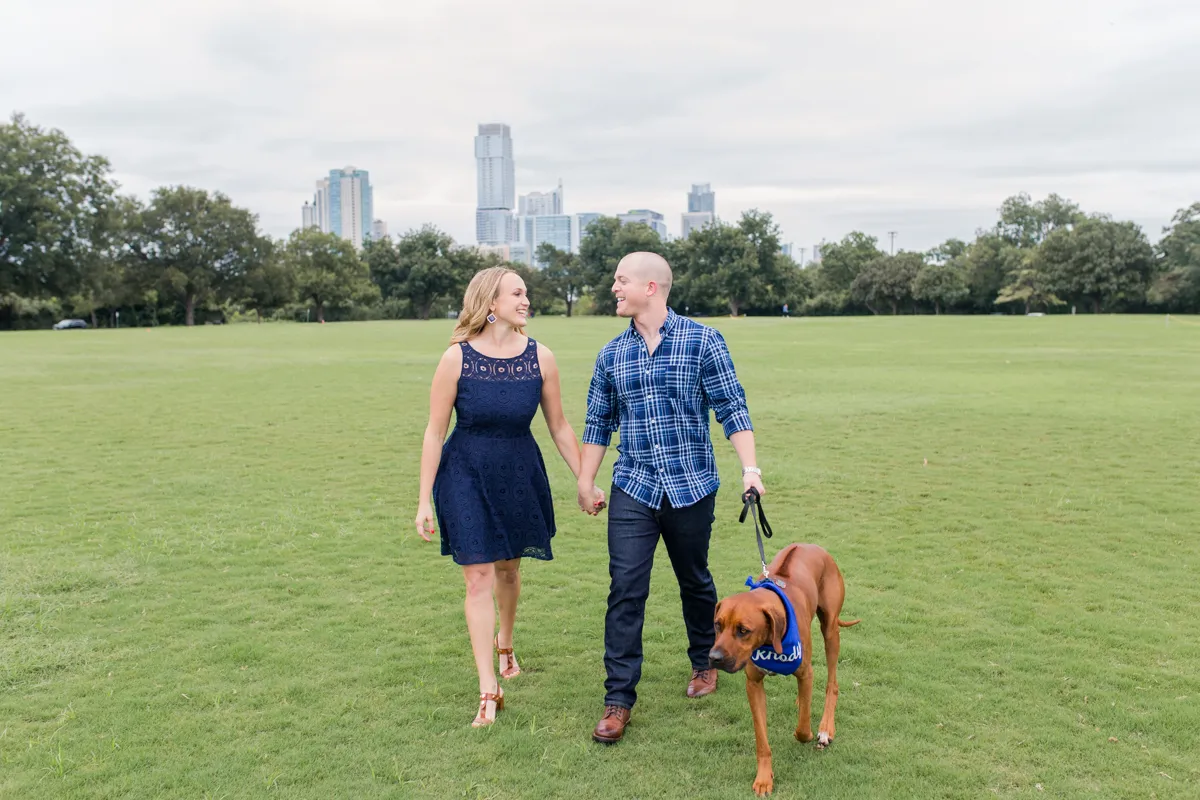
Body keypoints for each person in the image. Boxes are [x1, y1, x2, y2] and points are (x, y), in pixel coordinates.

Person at [576, 252, 765, 744]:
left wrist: (750, 469)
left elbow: (731, 406)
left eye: (622, 281)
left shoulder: (703, 341)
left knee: (695, 581)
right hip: (633, 486)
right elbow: (598, 421)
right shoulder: (612, 355)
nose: (614, 287)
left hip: (690, 485)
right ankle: (618, 700)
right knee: (626, 589)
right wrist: (585, 478)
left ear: (652, 287)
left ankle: (706, 660)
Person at [415, 267, 604, 728]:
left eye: (525, 293)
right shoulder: (455, 359)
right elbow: (435, 431)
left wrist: (586, 479)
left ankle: (506, 643)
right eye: (517, 293)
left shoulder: (542, 358)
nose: (525, 300)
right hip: (464, 474)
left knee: (508, 569)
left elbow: (558, 426)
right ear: (490, 302)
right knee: (477, 577)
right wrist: (423, 499)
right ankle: (488, 690)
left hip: (520, 472)